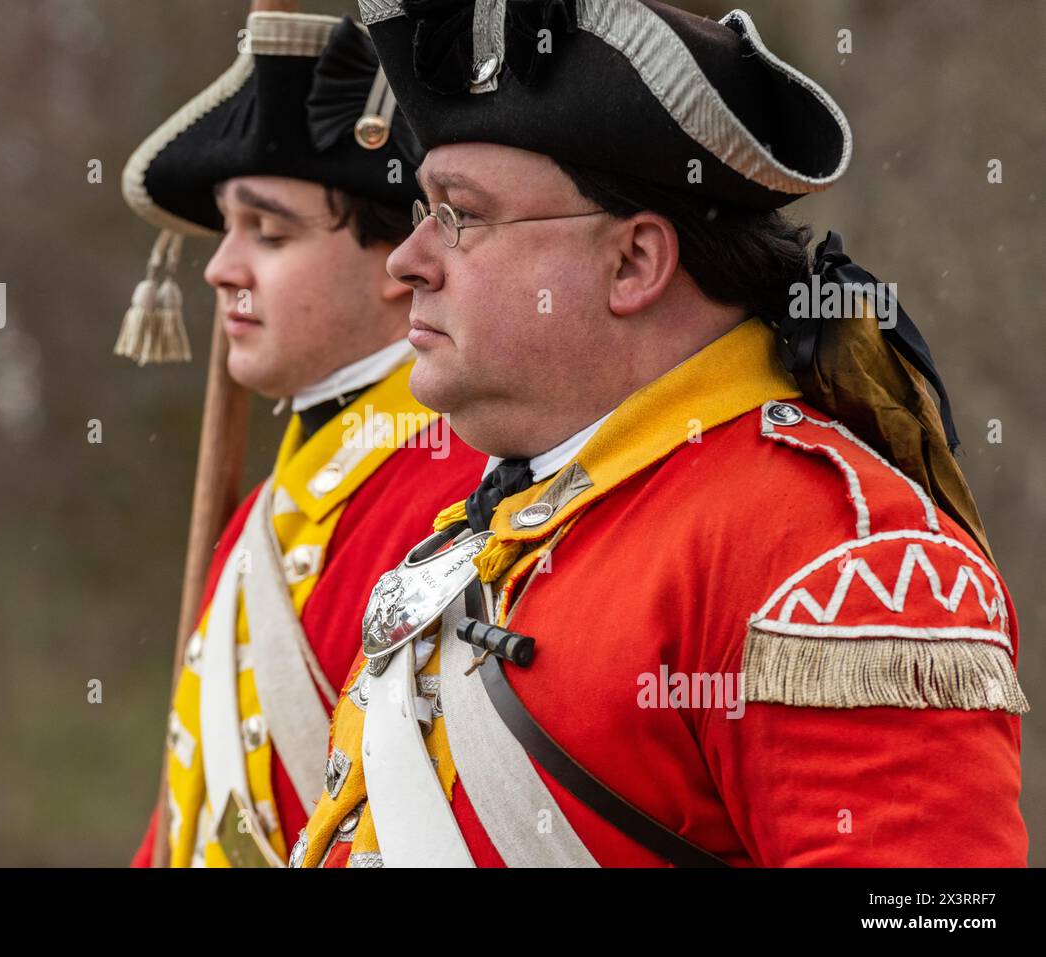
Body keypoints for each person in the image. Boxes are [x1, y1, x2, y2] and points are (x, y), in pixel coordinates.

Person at [289, 0, 1028, 868]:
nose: (407, 259)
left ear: (635, 262)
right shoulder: (498, 524)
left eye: (462, 215)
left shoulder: (837, 555)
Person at [120, 10, 485, 867]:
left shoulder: (461, 497)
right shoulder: (259, 522)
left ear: (403, 262)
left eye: (269, 232)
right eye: (225, 226)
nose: (220, 267)